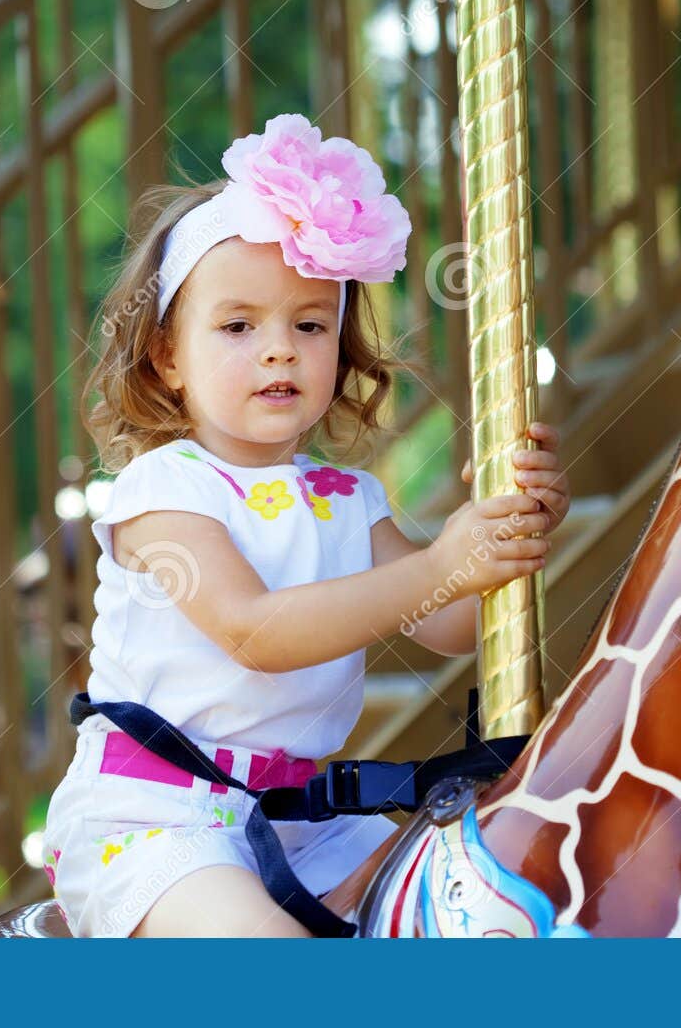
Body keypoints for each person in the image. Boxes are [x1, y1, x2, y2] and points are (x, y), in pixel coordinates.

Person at [40, 113, 571, 937]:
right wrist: (441, 564)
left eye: (310, 324)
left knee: (467, 900)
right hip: (152, 820)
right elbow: (255, 632)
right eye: (238, 325)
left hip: (299, 820)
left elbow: (450, 625)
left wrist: (507, 534)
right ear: (168, 357)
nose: (280, 349)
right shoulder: (160, 491)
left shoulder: (347, 498)